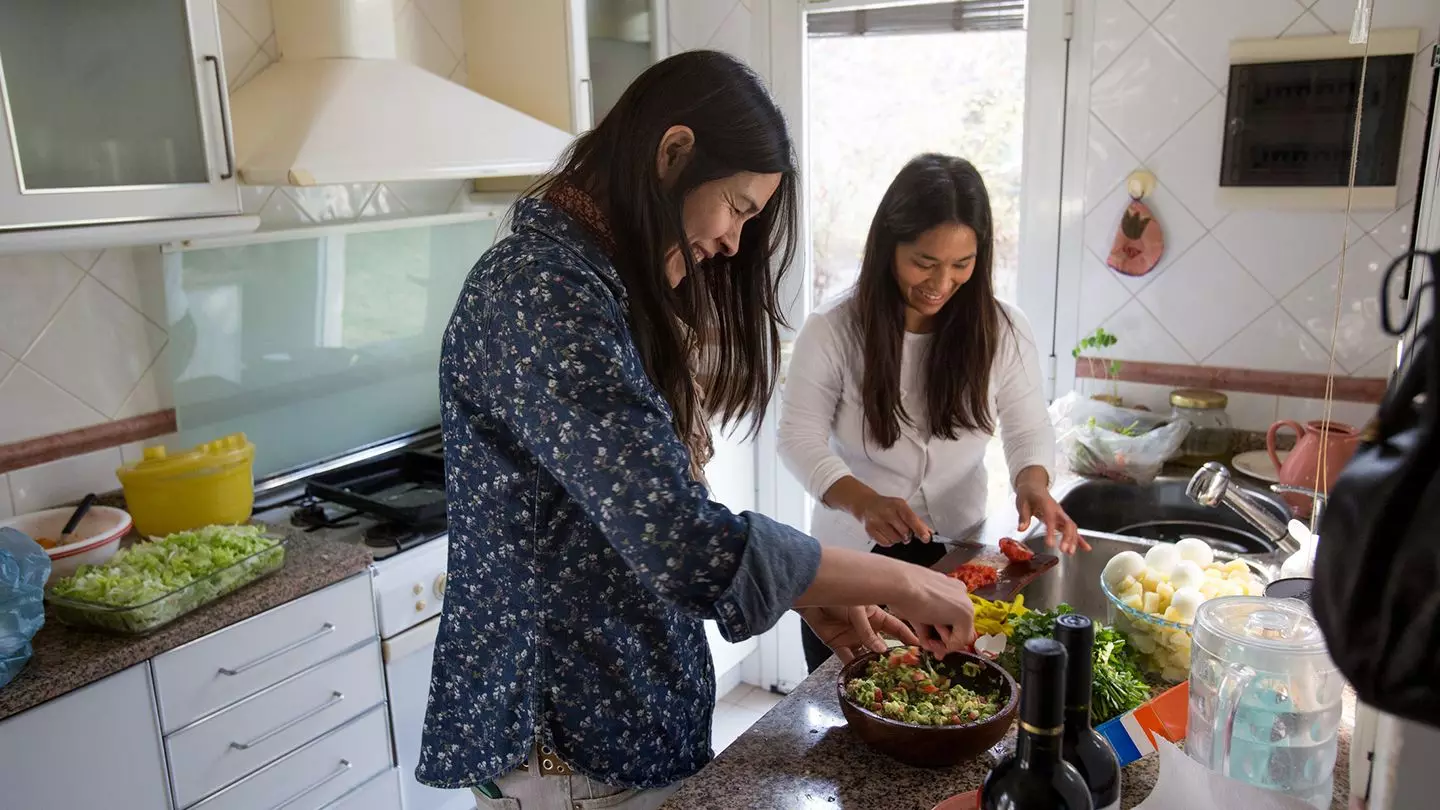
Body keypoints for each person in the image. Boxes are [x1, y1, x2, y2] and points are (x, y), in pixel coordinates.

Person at [419, 53, 977, 810]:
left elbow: (643, 527)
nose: (737, 241)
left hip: (622, 728)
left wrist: (801, 592)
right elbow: (681, 542)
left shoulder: (593, 281)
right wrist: (905, 578)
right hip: (574, 745)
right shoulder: (542, 292)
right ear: (673, 153)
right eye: (739, 208)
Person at [778, 153, 1085, 674]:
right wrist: (863, 501)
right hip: (853, 561)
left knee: (952, 696)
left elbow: (1028, 425)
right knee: (857, 710)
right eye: (924, 261)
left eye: (961, 264)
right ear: (888, 247)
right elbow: (797, 438)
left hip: (959, 558)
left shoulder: (1003, 329)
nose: (941, 282)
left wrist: (1032, 482)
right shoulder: (833, 328)